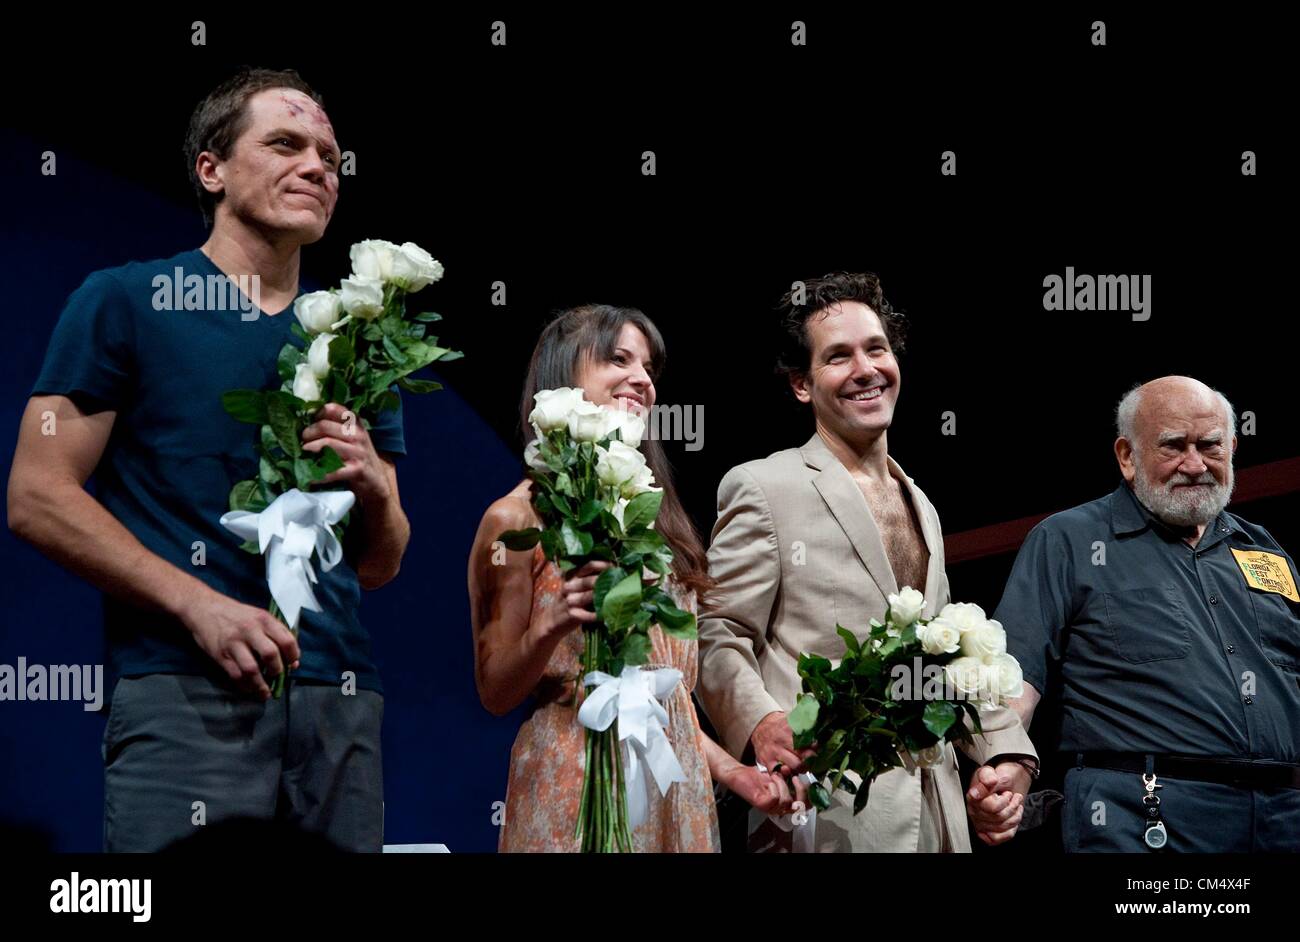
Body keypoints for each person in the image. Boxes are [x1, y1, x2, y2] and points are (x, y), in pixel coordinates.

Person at [7, 68, 409, 852]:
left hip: (339, 699)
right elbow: (35, 493)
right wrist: (199, 606)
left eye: (330, 156)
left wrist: (377, 492)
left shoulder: (359, 340)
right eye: (286, 144)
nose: (319, 167)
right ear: (211, 168)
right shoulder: (123, 300)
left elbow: (378, 564)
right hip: (183, 689)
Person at [696, 272, 1038, 852]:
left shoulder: (921, 502)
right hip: (826, 815)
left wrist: (1007, 758)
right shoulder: (763, 486)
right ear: (803, 384)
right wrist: (761, 725)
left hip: (939, 814)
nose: (865, 369)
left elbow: (948, 655)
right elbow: (719, 632)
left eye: (876, 348)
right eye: (838, 357)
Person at [468, 304, 786, 851]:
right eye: (619, 359)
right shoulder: (515, 520)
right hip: (574, 777)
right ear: (564, 373)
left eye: (649, 369)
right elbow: (495, 690)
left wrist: (732, 770)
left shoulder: (657, 518)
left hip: (672, 784)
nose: (642, 380)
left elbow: (660, 691)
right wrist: (549, 624)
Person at [996, 375, 1300, 852]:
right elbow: (1016, 673)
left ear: (1233, 448)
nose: (1195, 464)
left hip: (1284, 815)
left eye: (1211, 446)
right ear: (1126, 456)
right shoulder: (1069, 540)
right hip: (1140, 813)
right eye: (1174, 446)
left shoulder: (1266, 550)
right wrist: (1007, 760)